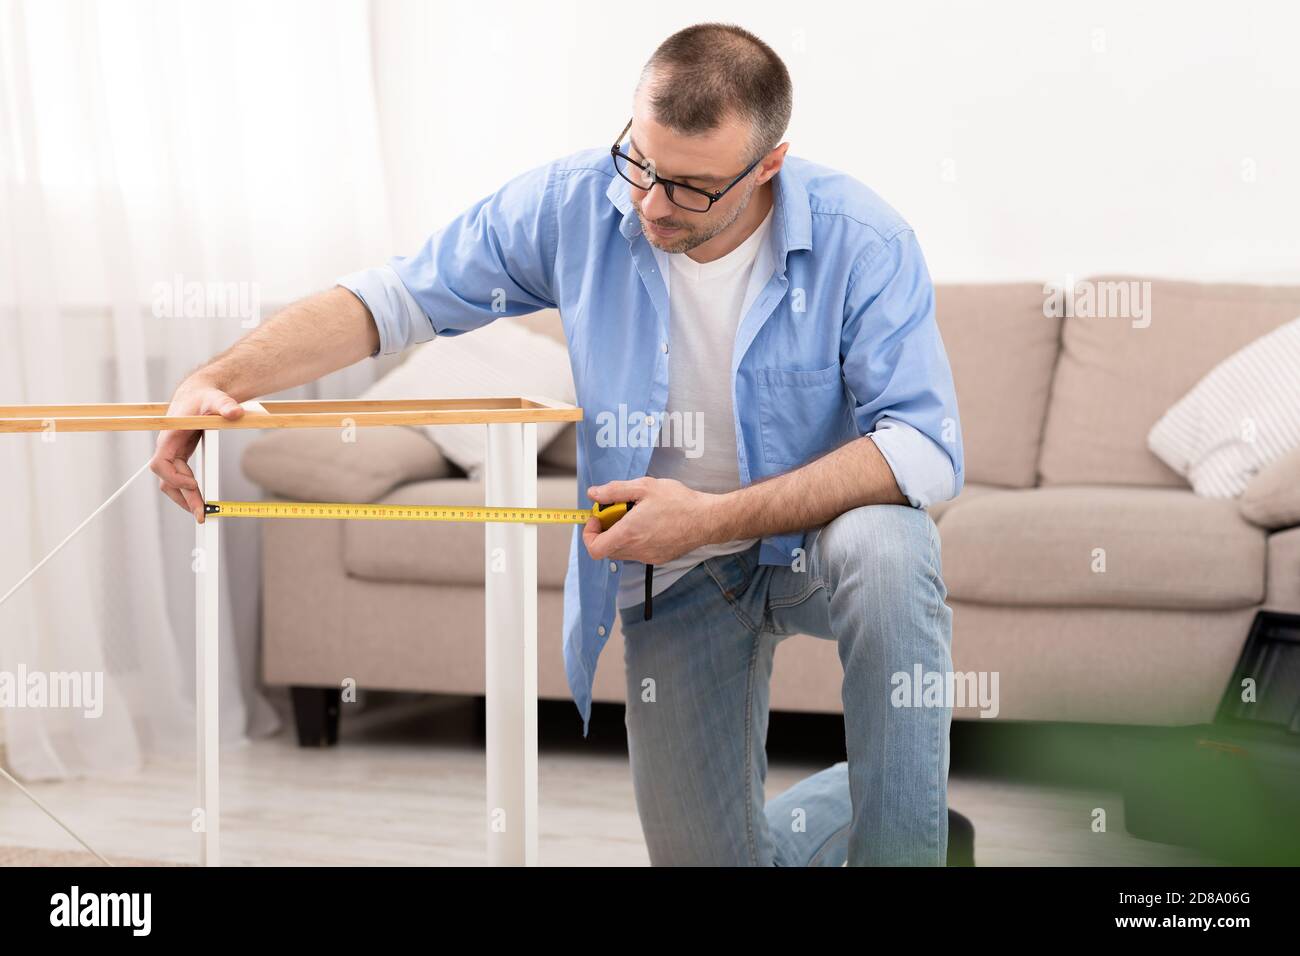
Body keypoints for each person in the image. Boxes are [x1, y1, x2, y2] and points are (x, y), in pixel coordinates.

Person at [152, 22, 964, 866]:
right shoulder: (577, 203)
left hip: (810, 554)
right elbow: (396, 297)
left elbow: (922, 447)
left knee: (891, 542)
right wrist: (222, 377)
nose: (649, 204)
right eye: (641, 163)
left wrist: (716, 513)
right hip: (671, 572)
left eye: (689, 188)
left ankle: (902, 845)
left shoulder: (863, 239)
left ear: (768, 166)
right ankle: (861, 802)